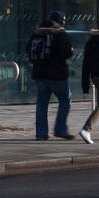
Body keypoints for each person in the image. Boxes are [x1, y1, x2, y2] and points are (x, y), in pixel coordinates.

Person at [29, 11, 75, 140]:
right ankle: (60, 130)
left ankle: (41, 134)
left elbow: (28, 49)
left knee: (41, 105)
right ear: (61, 22)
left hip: (39, 74)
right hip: (56, 75)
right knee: (65, 100)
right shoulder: (60, 34)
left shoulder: (37, 32)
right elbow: (67, 53)